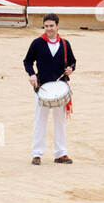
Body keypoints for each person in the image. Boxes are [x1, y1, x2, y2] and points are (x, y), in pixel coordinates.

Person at [24, 13, 75, 164]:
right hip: (43, 88)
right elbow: (27, 61)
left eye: (51, 26)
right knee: (40, 121)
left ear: (57, 26)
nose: (49, 29)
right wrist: (32, 74)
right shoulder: (37, 43)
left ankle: (61, 154)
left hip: (60, 88)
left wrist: (71, 69)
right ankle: (36, 154)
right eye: (46, 26)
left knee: (60, 122)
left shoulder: (65, 44)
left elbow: (73, 62)